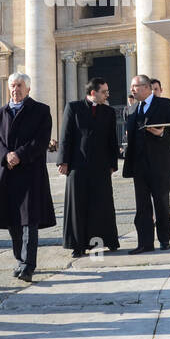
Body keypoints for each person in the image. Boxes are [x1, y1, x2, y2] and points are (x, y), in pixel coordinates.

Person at [0, 73, 54, 281]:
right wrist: (6, 155)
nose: (15, 89)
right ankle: (19, 258)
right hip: (7, 172)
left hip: (30, 172)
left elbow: (41, 141)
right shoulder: (0, 113)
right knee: (12, 220)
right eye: (12, 86)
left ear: (28, 89)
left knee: (29, 221)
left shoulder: (41, 111)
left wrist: (20, 154)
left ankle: (28, 265)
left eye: (19, 85)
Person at [122, 74, 170, 253]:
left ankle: (164, 239)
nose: (132, 90)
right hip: (139, 165)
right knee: (142, 206)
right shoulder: (131, 109)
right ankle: (144, 243)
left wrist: (161, 133)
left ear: (146, 87)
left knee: (161, 202)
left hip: (160, 164)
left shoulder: (166, 104)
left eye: (134, 86)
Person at [59, 77, 121, 257]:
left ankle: (108, 240)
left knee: (102, 203)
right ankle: (78, 245)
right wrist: (63, 161)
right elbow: (66, 136)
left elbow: (112, 139)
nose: (107, 94)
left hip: (101, 165)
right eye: (104, 91)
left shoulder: (109, 112)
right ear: (93, 93)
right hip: (77, 165)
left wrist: (112, 164)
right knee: (77, 205)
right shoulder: (73, 107)